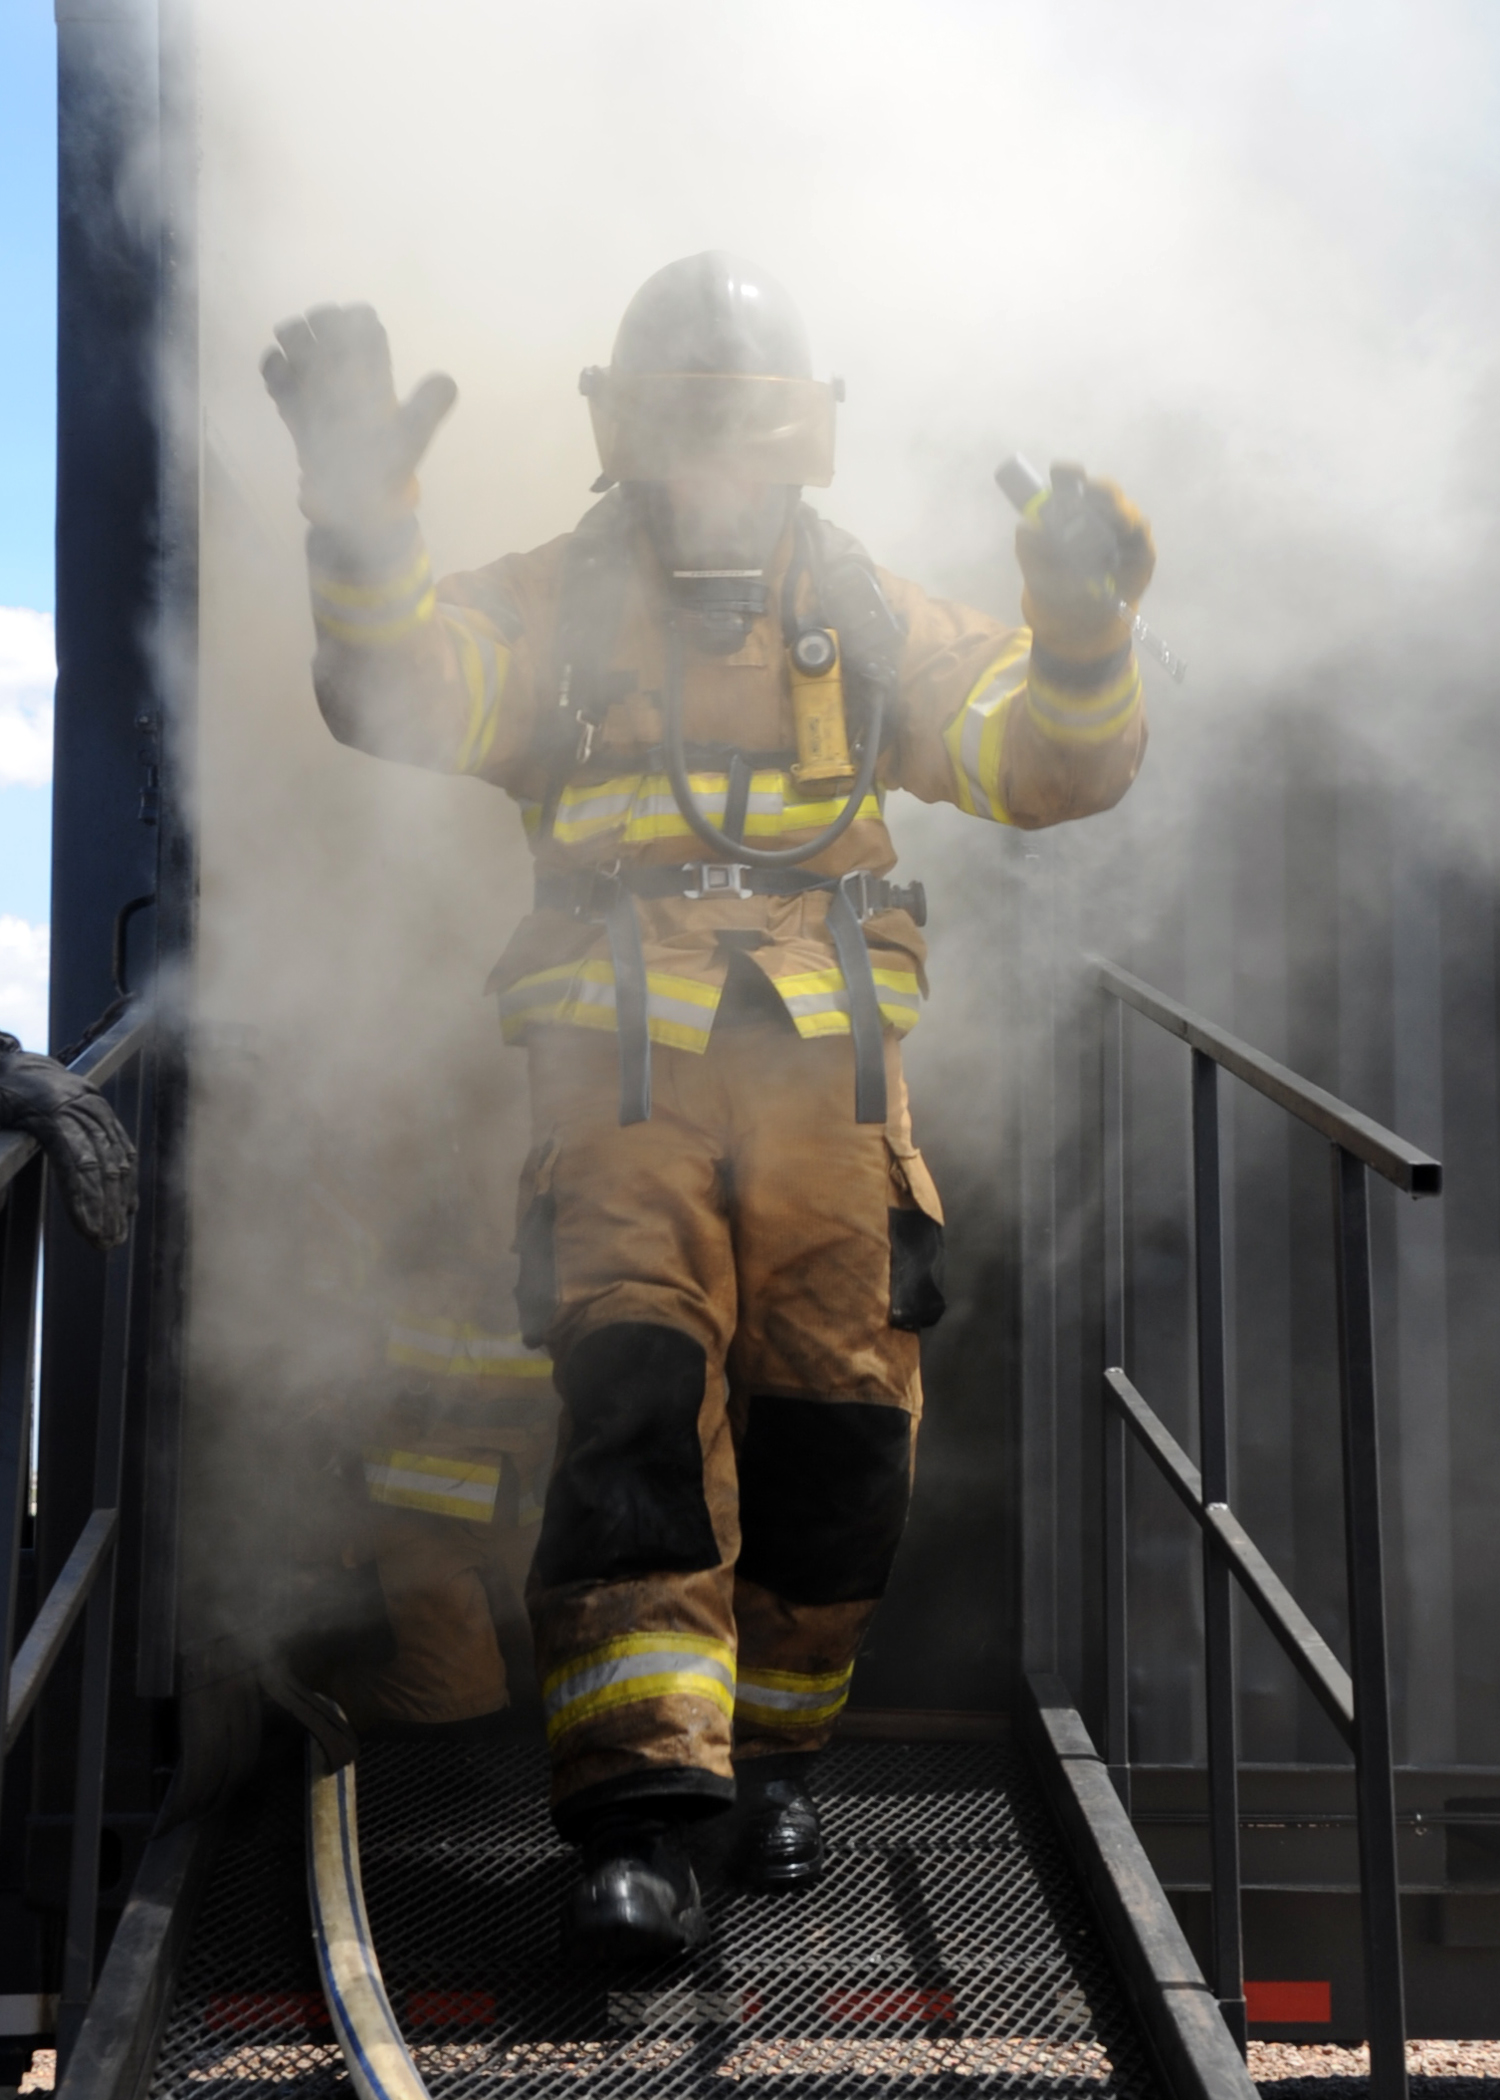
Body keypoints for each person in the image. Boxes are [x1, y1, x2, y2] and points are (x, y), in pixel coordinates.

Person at [261, 252, 1156, 1962]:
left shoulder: (873, 613)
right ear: (625, 435)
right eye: (691, 426)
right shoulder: (548, 603)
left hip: (830, 1083)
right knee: (635, 1413)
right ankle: (643, 1815)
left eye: (754, 428)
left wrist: (1086, 626)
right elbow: (395, 692)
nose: (721, 463)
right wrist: (359, 518)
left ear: (807, 439)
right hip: (618, 1076)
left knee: (839, 1431)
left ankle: (773, 1760)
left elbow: (1051, 765)